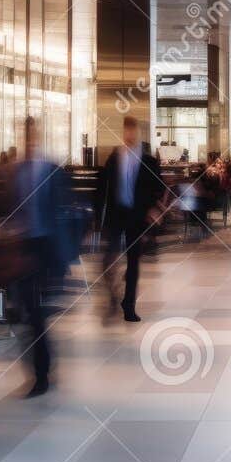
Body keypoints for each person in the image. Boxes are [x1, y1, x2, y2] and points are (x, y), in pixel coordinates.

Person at [4, 117, 77, 397]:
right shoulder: (15, 172)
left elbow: (67, 210)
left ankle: (41, 374)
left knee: (36, 314)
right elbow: (9, 210)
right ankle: (41, 368)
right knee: (24, 313)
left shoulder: (53, 171)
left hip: (46, 250)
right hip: (22, 249)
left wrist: (66, 253)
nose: (29, 140)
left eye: (33, 134)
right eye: (25, 135)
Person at [101, 117, 161, 323]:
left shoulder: (149, 161)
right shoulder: (114, 158)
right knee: (108, 260)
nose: (130, 135)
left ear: (138, 133)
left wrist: (152, 209)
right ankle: (112, 294)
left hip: (137, 217)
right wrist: (98, 217)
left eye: (133, 131)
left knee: (133, 263)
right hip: (117, 215)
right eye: (127, 131)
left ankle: (129, 305)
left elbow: (158, 188)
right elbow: (103, 189)